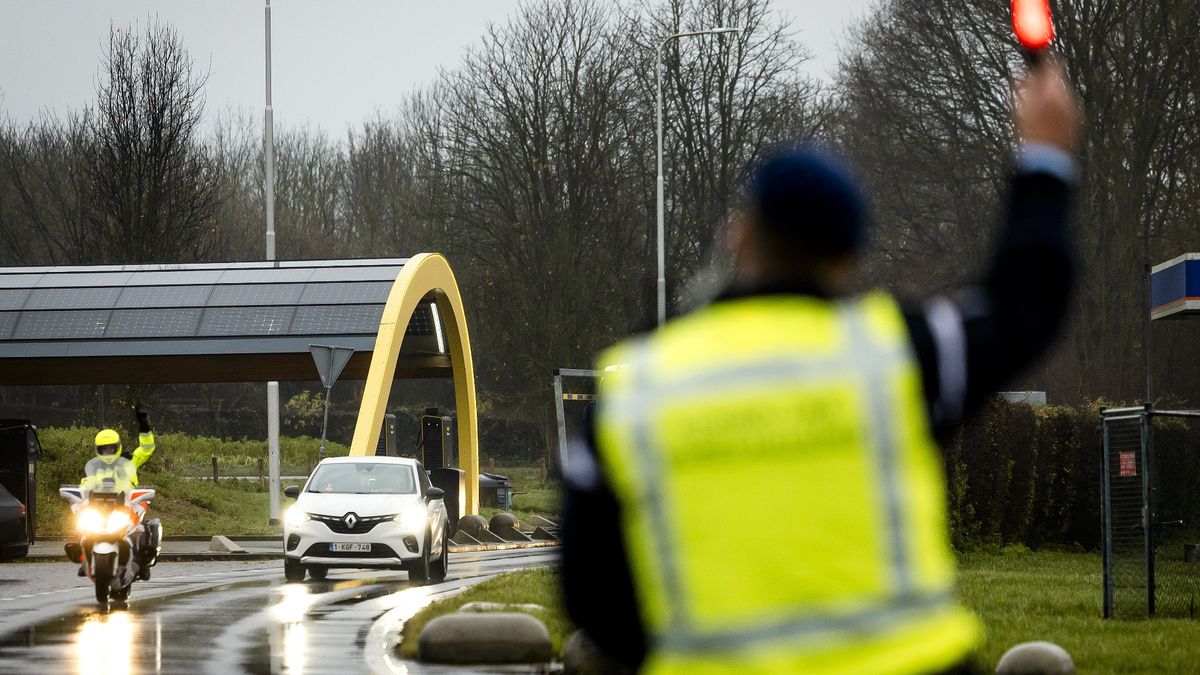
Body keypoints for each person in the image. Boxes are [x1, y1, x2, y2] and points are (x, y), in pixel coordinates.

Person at [562, 58, 1082, 674]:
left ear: (740, 236)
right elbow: (1027, 302)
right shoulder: (899, 356)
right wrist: (1045, 156)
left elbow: (588, 590)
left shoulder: (640, 387)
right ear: (848, 258)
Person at [77, 406, 158, 577]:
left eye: (111, 448)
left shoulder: (129, 461)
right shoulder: (95, 468)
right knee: (82, 525)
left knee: (141, 529)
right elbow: (84, 486)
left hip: (127, 505)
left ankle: (142, 564)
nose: (108, 452)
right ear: (98, 450)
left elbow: (147, 448)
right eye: (104, 449)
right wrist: (77, 498)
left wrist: (144, 426)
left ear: (117, 447)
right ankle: (85, 558)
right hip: (100, 508)